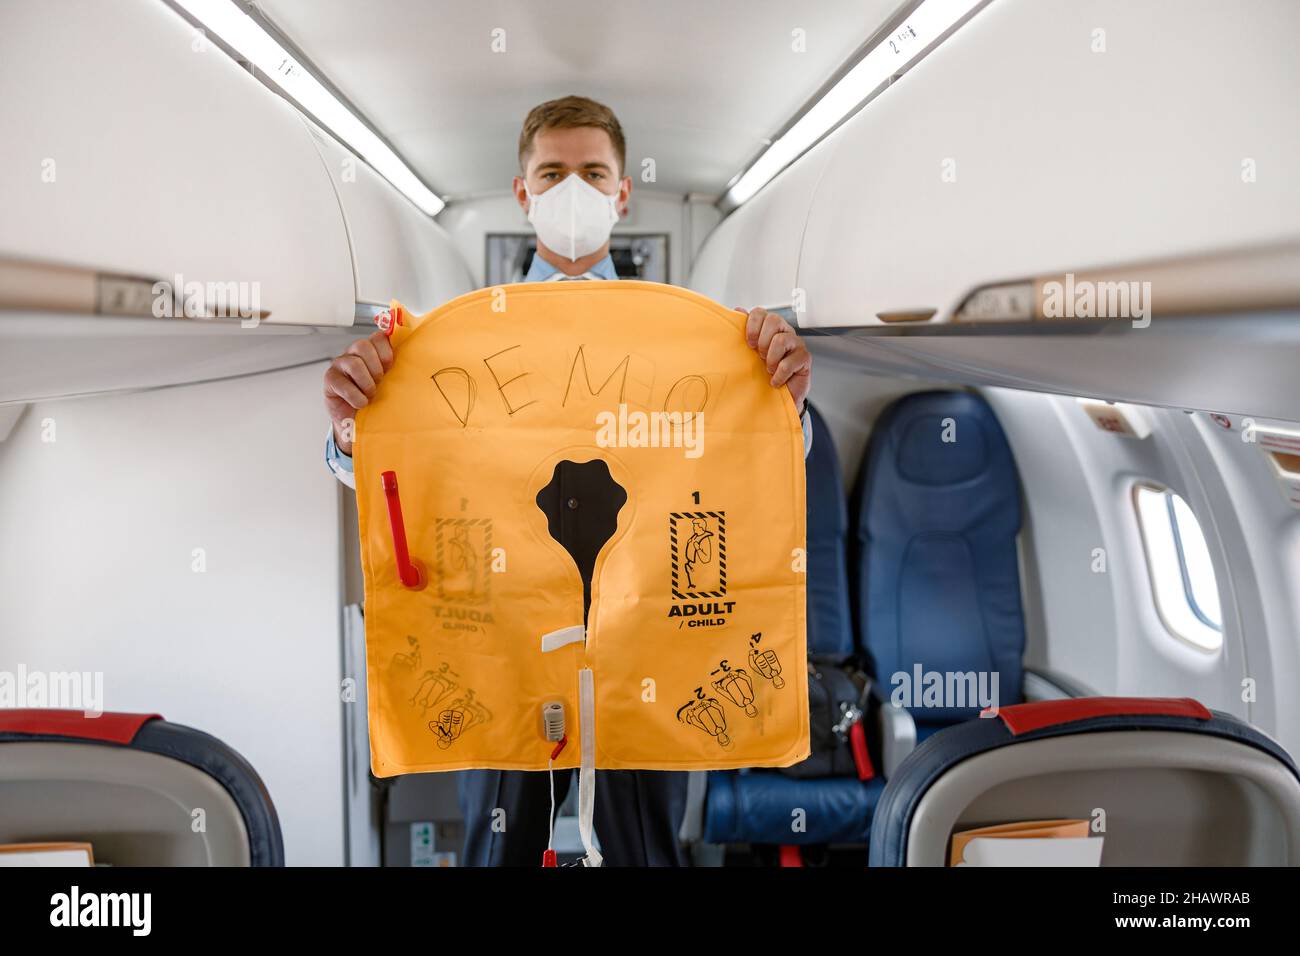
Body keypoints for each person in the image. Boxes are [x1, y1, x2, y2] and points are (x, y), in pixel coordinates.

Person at [321, 95, 813, 866]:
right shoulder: (454, 333)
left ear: (622, 193)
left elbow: (735, 470)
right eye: (552, 173)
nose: (572, 190)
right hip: (503, 645)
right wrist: (357, 428)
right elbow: (418, 478)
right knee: (499, 845)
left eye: (592, 172)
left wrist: (784, 406)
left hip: (646, 642)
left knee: (647, 850)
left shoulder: (699, 335)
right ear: (523, 192)